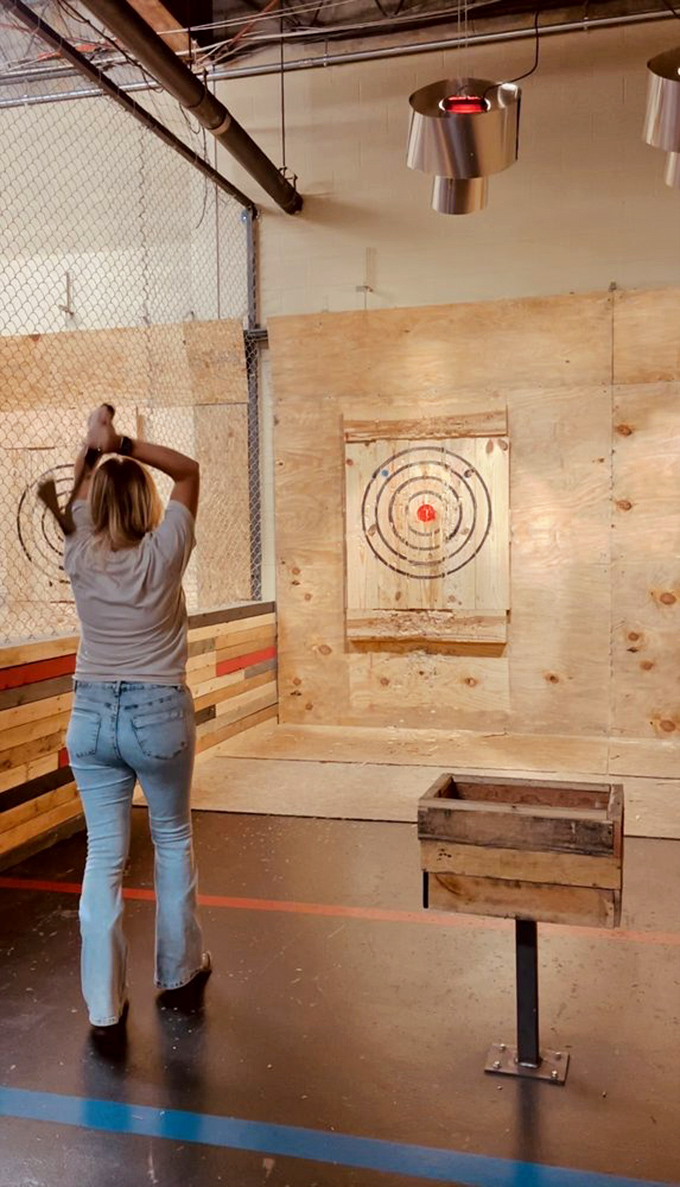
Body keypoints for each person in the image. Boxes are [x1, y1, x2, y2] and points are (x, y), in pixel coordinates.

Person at [63, 405, 210, 1034]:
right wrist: (120, 441)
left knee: (103, 857)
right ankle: (179, 972)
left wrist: (93, 449)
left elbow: (77, 487)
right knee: (171, 839)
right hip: (158, 713)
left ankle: (103, 1005)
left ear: (94, 504)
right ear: (145, 504)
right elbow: (189, 470)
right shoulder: (165, 551)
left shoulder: (77, 550)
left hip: (91, 715)